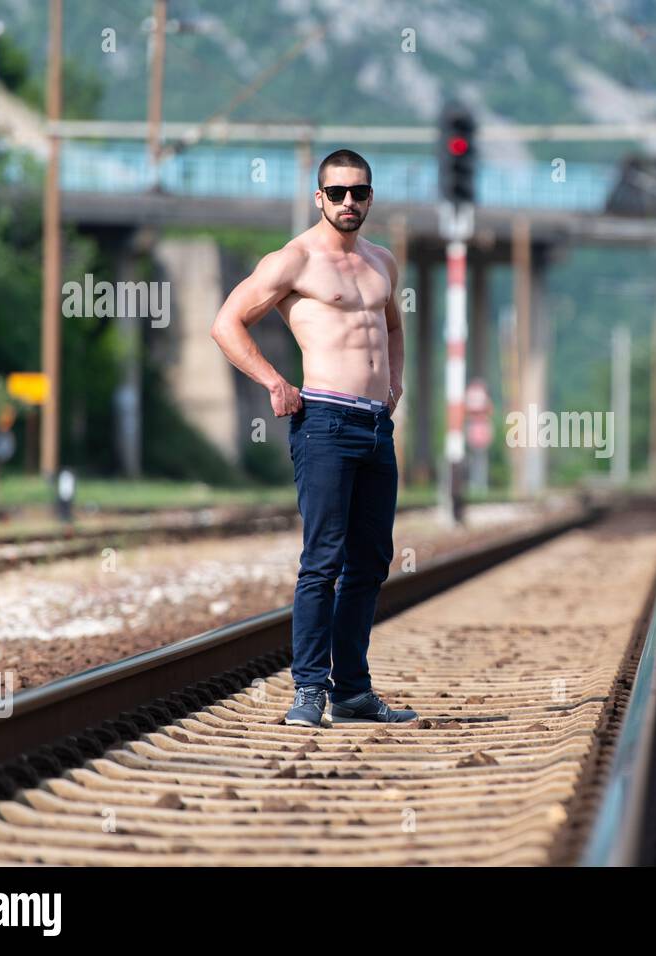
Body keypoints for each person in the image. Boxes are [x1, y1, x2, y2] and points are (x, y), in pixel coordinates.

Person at [211, 148, 417, 726]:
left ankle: (351, 691)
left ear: (370, 197)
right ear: (317, 196)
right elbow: (226, 323)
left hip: (376, 426)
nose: (348, 202)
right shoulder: (293, 260)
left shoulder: (382, 263)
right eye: (337, 193)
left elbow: (393, 326)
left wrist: (395, 381)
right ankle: (308, 689)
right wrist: (274, 381)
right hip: (324, 421)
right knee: (322, 560)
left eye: (358, 192)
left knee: (371, 559)